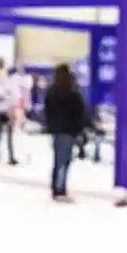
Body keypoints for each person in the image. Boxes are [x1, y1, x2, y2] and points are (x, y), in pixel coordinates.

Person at [43, 64, 86, 202]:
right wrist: (79, 129)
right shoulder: (72, 93)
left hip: (57, 130)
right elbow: (80, 112)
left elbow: (47, 112)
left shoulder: (51, 92)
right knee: (64, 161)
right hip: (68, 130)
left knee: (57, 160)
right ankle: (60, 189)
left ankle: (56, 187)